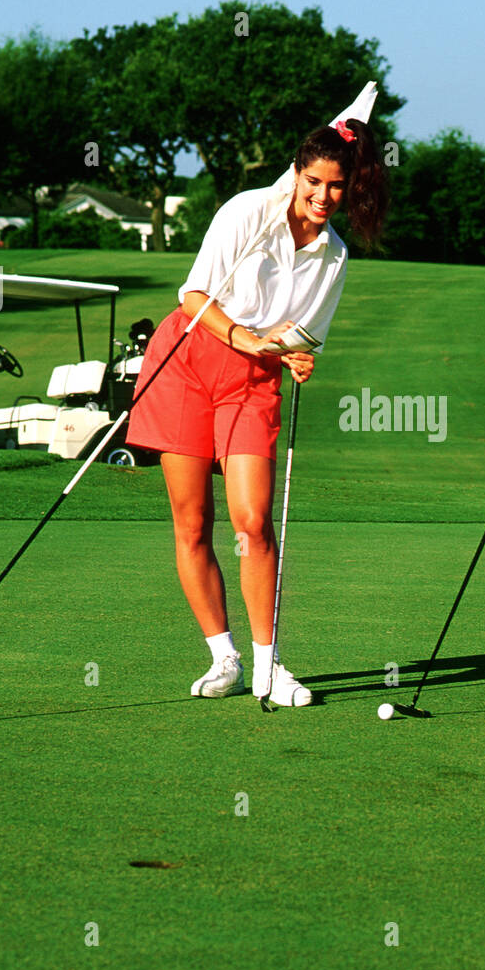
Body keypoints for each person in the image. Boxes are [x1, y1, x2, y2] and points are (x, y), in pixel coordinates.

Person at [126, 86, 388, 706]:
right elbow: (192, 299)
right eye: (315, 183)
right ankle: (225, 658)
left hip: (251, 382)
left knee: (253, 522)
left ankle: (270, 666)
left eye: (337, 188)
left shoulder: (335, 257)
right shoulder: (246, 211)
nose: (324, 198)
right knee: (193, 523)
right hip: (186, 362)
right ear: (296, 175)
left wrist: (297, 356)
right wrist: (247, 336)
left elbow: (302, 336)